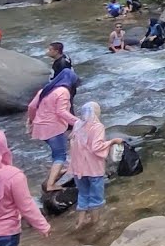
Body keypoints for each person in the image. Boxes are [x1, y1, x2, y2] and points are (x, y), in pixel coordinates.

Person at [68, 102, 123, 230]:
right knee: (96, 197)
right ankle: (95, 222)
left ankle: (80, 222)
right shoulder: (97, 126)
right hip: (93, 168)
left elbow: (72, 142)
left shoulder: (77, 124)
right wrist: (113, 141)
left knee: (83, 194)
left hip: (78, 168)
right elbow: (96, 147)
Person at [25, 67, 79, 192]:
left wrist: (32, 120)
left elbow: (32, 106)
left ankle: (58, 172)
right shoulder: (63, 91)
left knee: (57, 154)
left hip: (40, 127)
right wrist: (79, 122)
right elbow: (61, 112)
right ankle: (51, 185)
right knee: (60, 156)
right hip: (53, 128)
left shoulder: (46, 89)